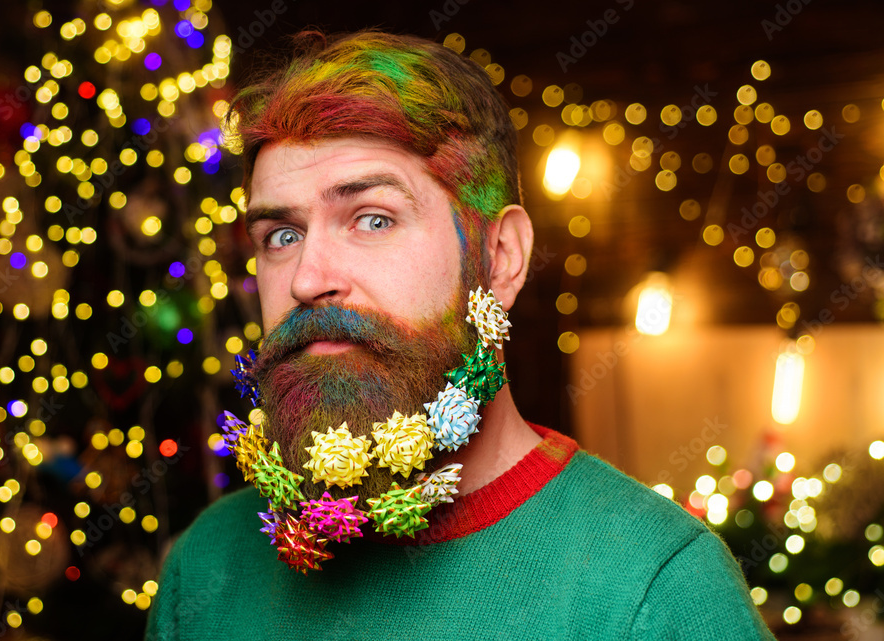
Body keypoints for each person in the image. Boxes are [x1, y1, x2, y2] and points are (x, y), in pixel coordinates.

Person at [146, 30, 775, 640]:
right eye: (281, 235)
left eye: (372, 219)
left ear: (501, 257)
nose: (308, 279)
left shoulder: (657, 588)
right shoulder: (205, 567)